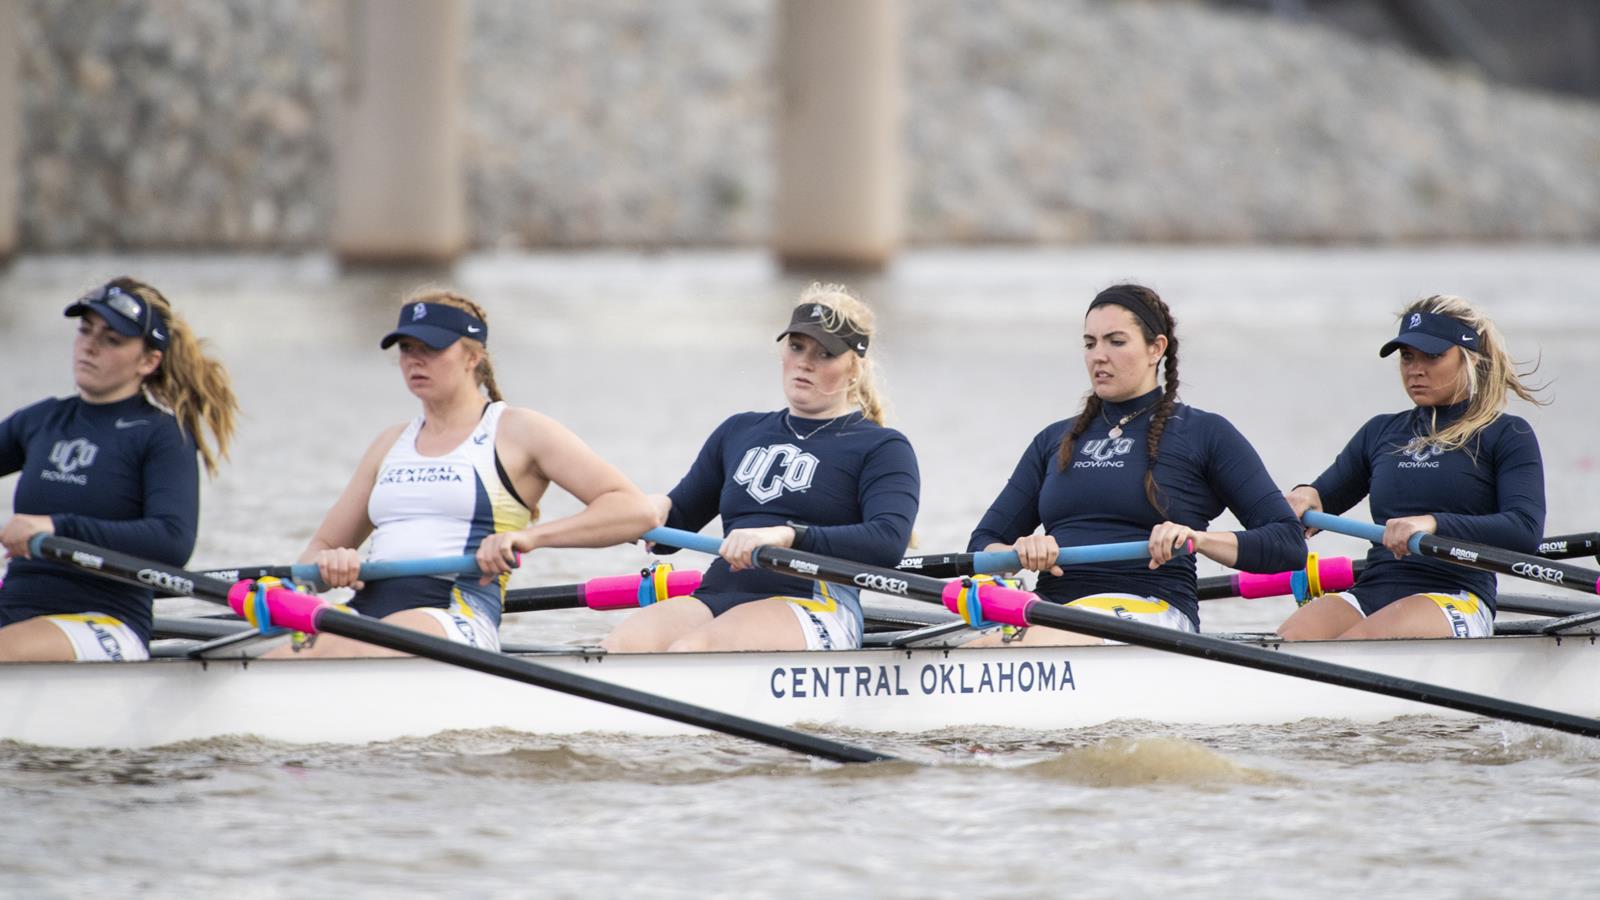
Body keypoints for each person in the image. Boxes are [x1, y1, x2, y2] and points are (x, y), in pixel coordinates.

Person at [275, 289, 658, 658]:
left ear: (473, 356)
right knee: (278, 656)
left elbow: (634, 511)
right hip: (366, 608)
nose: (414, 360)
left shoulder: (518, 431)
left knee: (342, 649)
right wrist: (330, 566)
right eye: (407, 348)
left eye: (432, 347)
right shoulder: (388, 443)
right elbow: (319, 549)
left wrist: (529, 538)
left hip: (457, 616)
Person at [967, 283, 1305, 646]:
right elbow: (982, 545)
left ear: (1155, 349)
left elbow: (1287, 543)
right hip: (1051, 610)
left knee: (1025, 643)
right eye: (1090, 343)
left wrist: (1198, 540)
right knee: (969, 645)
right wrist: (1018, 552)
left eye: (1116, 341)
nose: (1099, 355)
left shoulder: (1205, 434)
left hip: (1152, 609)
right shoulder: (1054, 440)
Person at [602, 284, 920, 653]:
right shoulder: (739, 430)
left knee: (693, 650)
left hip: (814, 604)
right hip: (717, 594)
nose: (805, 362)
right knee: (620, 646)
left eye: (825, 353)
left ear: (854, 369)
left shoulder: (882, 447)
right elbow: (676, 524)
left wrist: (787, 536)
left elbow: (887, 542)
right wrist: (650, 510)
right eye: (797, 347)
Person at [1279, 295, 1545, 640]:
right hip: (1373, 591)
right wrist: (1304, 496)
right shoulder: (1381, 432)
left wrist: (1431, 523)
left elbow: (1524, 530)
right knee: (1288, 640)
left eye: (1432, 356)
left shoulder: (1507, 434)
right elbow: (1323, 496)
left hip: (1456, 594)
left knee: (1357, 646)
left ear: (1469, 358)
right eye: (1407, 357)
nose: (1415, 369)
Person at [0, 277, 239, 661]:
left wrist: (58, 527)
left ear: (149, 361)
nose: (90, 345)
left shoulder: (162, 436)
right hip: (17, 605)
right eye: (85, 330)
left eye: (112, 339)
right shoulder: (43, 420)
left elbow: (172, 540)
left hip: (103, 620)